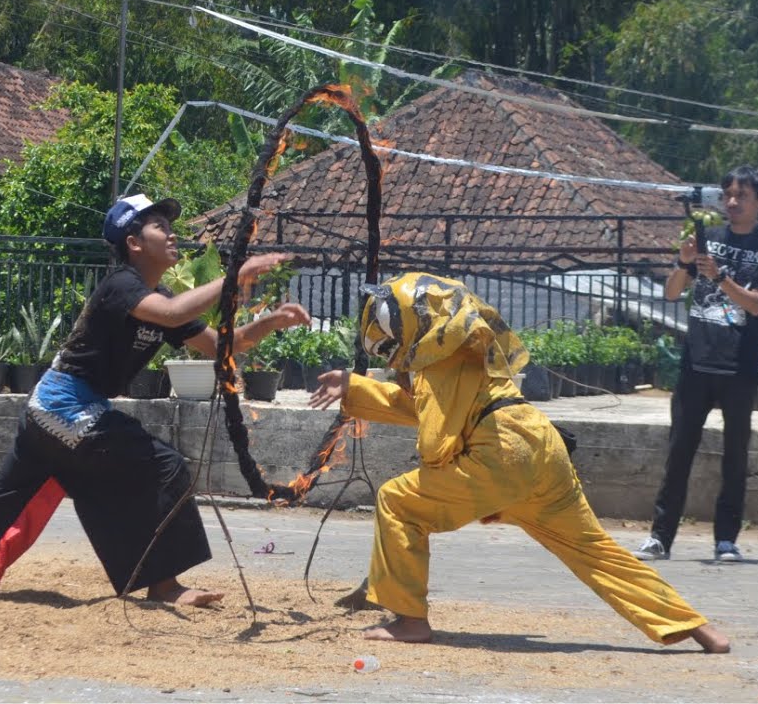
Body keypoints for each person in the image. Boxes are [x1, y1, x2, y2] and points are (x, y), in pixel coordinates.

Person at [0, 194, 310, 606]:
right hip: (65, 407)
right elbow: (174, 314)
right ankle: (164, 585)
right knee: (165, 465)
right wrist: (236, 275)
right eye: (160, 226)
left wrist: (271, 321)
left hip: (50, 410)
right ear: (134, 243)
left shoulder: (158, 298)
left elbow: (221, 347)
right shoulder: (122, 285)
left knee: (4, 497)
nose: (172, 233)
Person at [310, 272, 729, 652]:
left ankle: (410, 621)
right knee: (595, 550)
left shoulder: (441, 361)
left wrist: (464, 491)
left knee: (398, 502)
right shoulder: (469, 346)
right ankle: (694, 625)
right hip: (542, 447)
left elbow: (436, 442)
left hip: (500, 458)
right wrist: (353, 386)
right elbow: (425, 405)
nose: (390, 353)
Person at [633, 165, 758, 563]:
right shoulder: (709, 238)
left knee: (735, 456)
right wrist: (683, 262)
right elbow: (671, 294)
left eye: (742, 196)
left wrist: (719, 278)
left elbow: (757, 304)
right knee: (678, 452)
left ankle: (726, 540)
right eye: (728, 195)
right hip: (696, 363)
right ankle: (660, 537)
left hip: (739, 366)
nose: (732, 202)